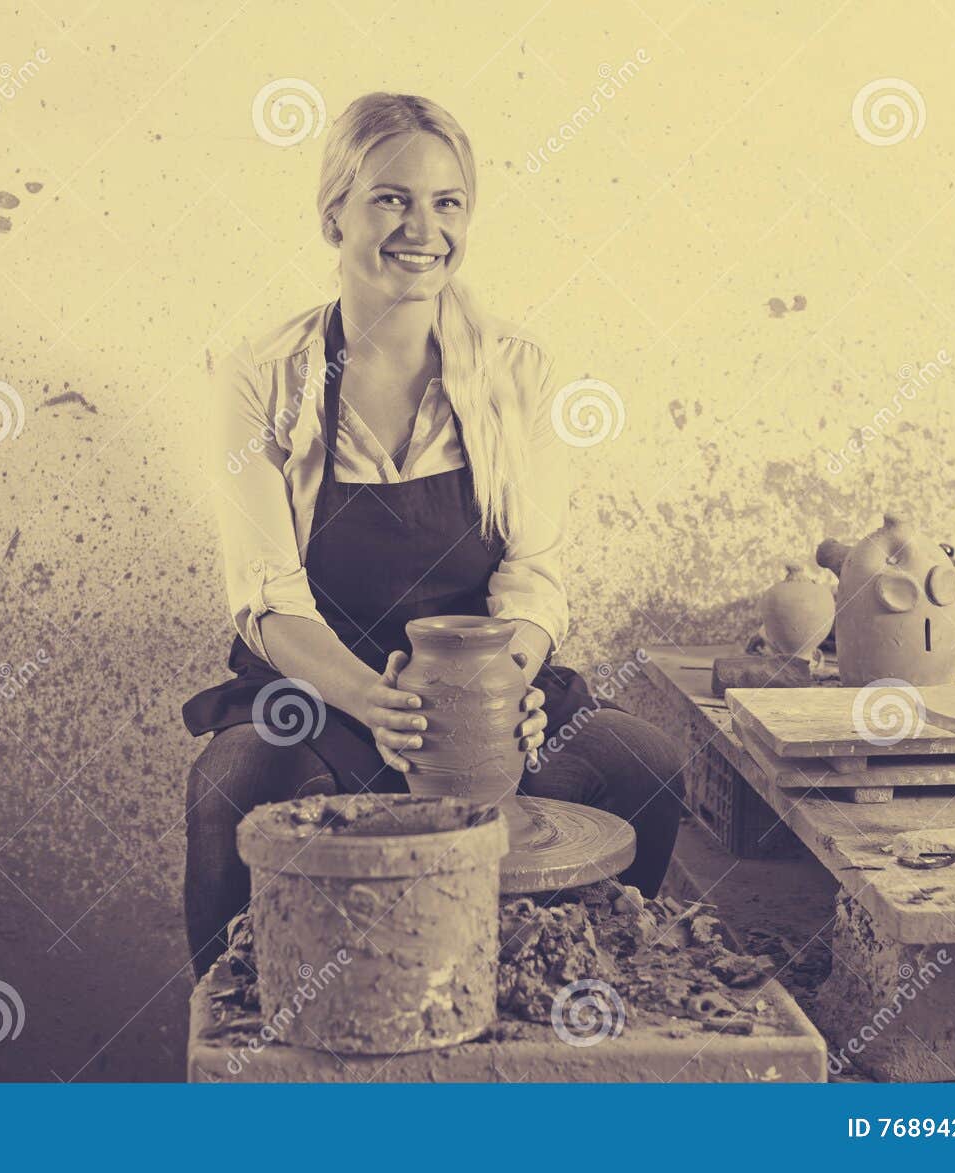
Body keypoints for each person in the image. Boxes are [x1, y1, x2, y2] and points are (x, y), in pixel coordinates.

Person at [182, 92, 684, 976]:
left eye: (447, 202)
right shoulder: (263, 378)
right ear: (333, 213)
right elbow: (266, 597)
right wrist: (374, 702)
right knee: (237, 790)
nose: (423, 227)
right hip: (323, 690)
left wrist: (511, 682)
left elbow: (532, 577)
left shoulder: (515, 371)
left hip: (478, 685)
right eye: (391, 198)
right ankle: (251, 1051)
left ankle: (570, 1005)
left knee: (640, 765)